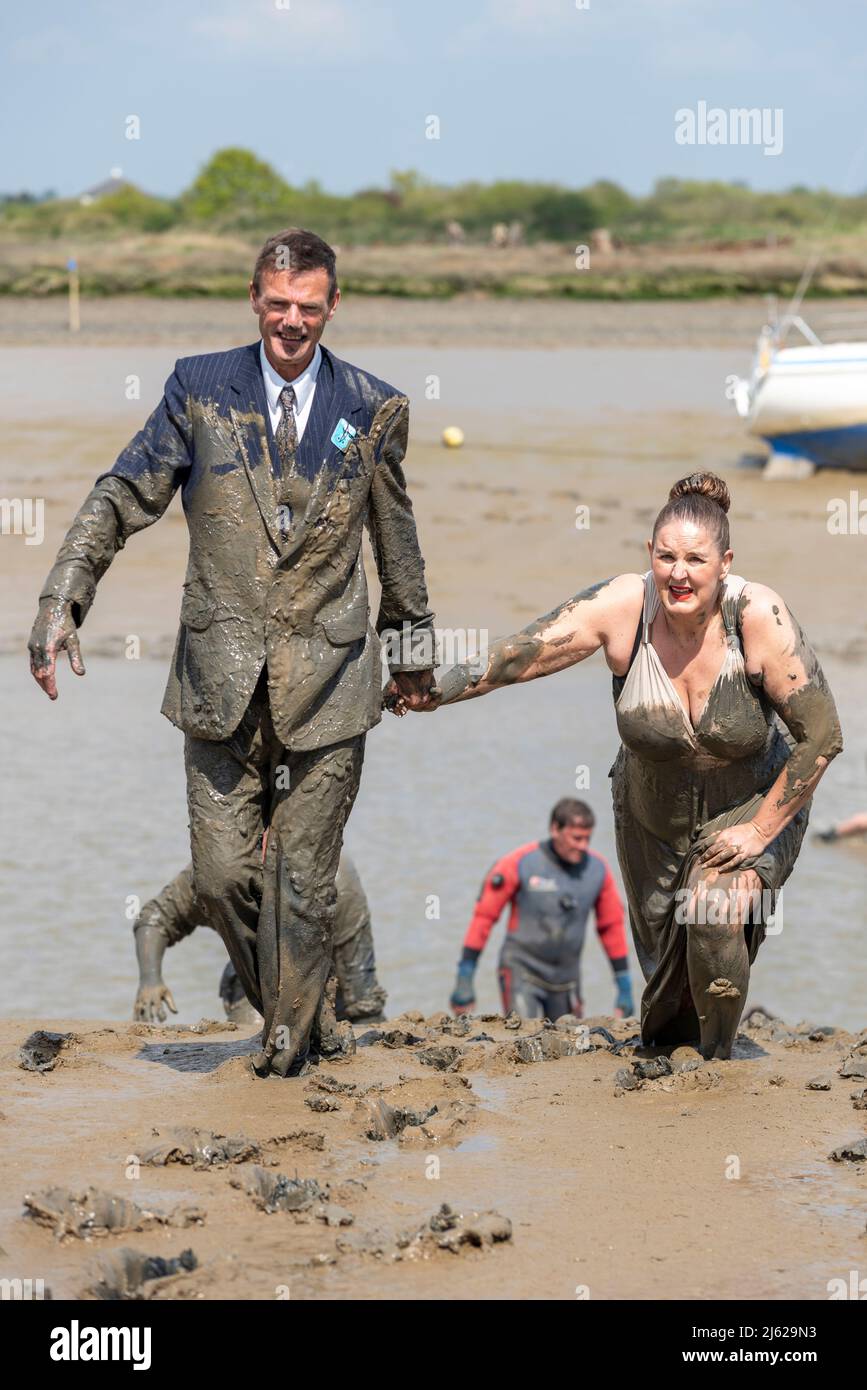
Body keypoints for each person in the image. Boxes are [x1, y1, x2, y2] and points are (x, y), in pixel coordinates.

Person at [29, 227, 436, 1078]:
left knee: (301, 883)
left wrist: (410, 656)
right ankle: (309, 1009)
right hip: (218, 679)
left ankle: (284, 1054)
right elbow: (123, 493)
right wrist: (63, 597)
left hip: (329, 683)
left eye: (309, 308)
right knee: (219, 878)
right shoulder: (198, 388)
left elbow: (395, 540)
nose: (292, 321)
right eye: (278, 304)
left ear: (333, 307)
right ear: (255, 300)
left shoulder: (374, 407)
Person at [389, 472, 843, 1061]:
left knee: (713, 912)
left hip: (754, 799)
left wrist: (759, 832)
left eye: (696, 559)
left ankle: (718, 1064)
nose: (679, 573)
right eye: (666, 556)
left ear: (725, 562)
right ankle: (676, 1047)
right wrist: (435, 690)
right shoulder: (625, 606)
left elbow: (823, 735)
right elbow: (522, 653)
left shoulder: (758, 616)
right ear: (648, 555)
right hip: (650, 817)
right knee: (662, 1004)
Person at [134, 851, 387, 1027]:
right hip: (253, 980)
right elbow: (156, 917)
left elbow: (364, 999)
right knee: (251, 1036)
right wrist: (150, 979)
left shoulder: (338, 880)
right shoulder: (221, 875)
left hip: (326, 988)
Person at [448, 797, 634, 1021]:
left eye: (588, 838)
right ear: (555, 828)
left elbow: (611, 927)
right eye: (576, 838)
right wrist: (465, 975)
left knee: (567, 1047)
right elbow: (484, 918)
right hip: (522, 971)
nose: (583, 846)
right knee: (524, 1038)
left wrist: (624, 983)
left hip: (567, 979)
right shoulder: (520, 863)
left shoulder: (598, 870)